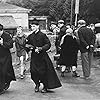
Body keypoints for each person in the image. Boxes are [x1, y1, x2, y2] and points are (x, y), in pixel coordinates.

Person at [26, 19, 62, 93]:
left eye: (34, 26)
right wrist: (30, 47)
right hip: (34, 57)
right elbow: (26, 44)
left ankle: (45, 86)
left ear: (38, 27)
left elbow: (48, 44)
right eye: (31, 26)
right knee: (33, 71)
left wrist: (41, 48)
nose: (32, 28)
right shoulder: (30, 36)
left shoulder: (43, 35)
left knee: (43, 72)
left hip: (42, 57)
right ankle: (37, 84)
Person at [0, 24, 16, 94]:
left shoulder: (7, 35)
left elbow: (11, 45)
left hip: (5, 57)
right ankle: (1, 88)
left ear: (1, 30)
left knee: (4, 71)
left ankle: (6, 83)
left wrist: (3, 43)